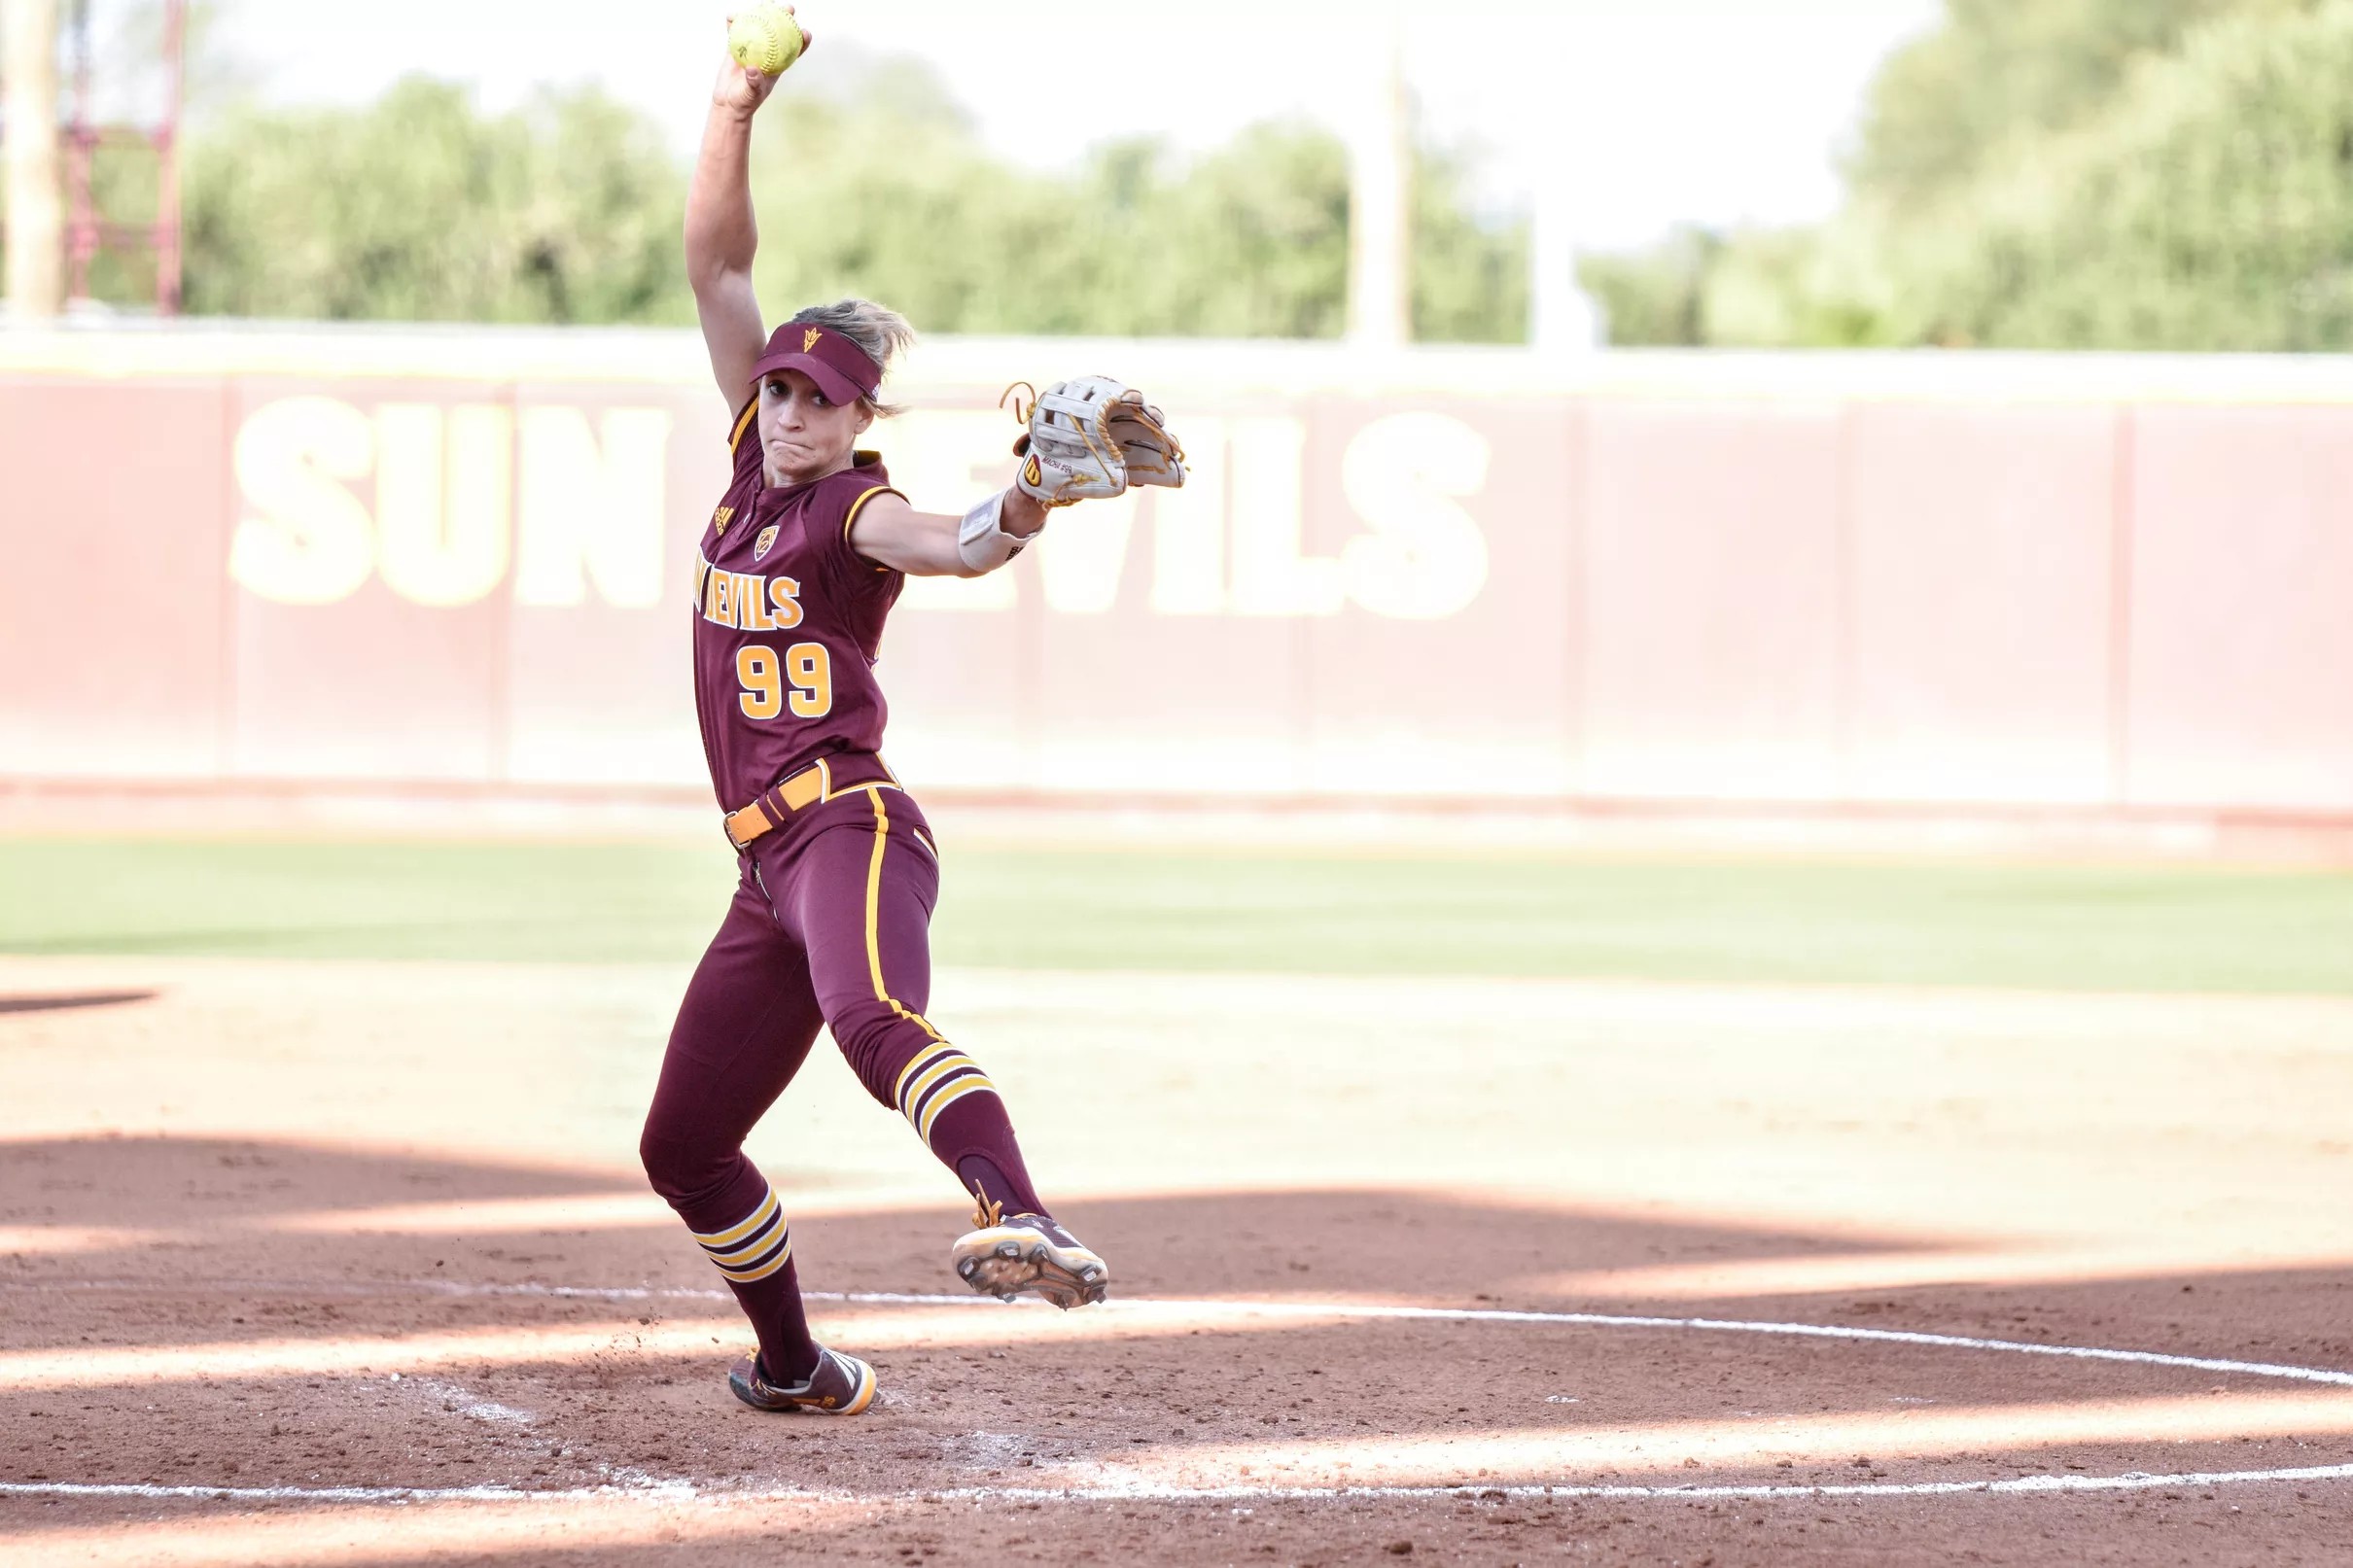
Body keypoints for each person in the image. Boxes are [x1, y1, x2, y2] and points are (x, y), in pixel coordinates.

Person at [637, 15, 1176, 1416]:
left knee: (874, 1015)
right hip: (762, 869)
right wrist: (731, 102)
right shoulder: (750, 471)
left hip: (851, 832)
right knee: (685, 1143)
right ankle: (797, 1363)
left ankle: (1029, 1214)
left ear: (855, 415)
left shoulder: (842, 508)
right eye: (776, 389)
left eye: (815, 399)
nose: (787, 410)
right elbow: (717, 261)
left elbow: (955, 542)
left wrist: (1036, 495)